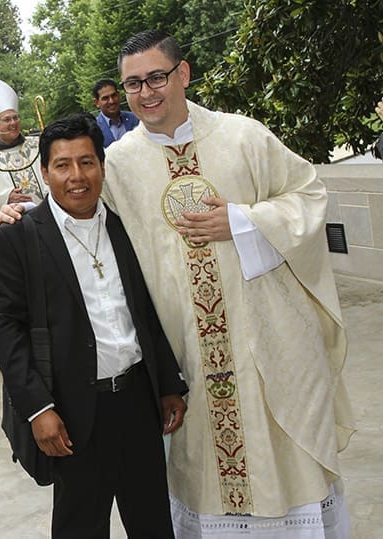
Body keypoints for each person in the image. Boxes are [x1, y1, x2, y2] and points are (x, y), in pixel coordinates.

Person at [106, 30, 353, 536]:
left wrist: (242, 222)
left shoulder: (243, 137)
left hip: (265, 341)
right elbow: (80, 219)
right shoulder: (118, 165)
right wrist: (17, 220)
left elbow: (309, 195)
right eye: (133, 83)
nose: (146, 93)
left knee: (283, 462)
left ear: (183, 73)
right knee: (203, 469)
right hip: (188, 355)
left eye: (156, 77)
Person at [0, 113, 189, 537]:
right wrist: (38, 408)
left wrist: (167, 383)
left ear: (102, 166)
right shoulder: (19, 235)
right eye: (62, 165)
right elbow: (5, 328)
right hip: (71, 410)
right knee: (81, 526)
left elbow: (146, 307)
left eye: (87, 162)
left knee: (153, 521)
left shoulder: (124, 224)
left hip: (136, 400)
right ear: (45, 173)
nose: (76, 177)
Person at [0, 78, 48, 222]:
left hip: (48, 216)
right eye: (7, 120)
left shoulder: (38, 145)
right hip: (15, 225)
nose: (13, 123)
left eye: (15, 118)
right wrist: (6, 196)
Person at [92, 78, 139, 147]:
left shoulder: (136, 118)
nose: (111, 101)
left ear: (119, 95)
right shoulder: (94, 130)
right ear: (96, 102)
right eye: (105, 98)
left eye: (114, 95)